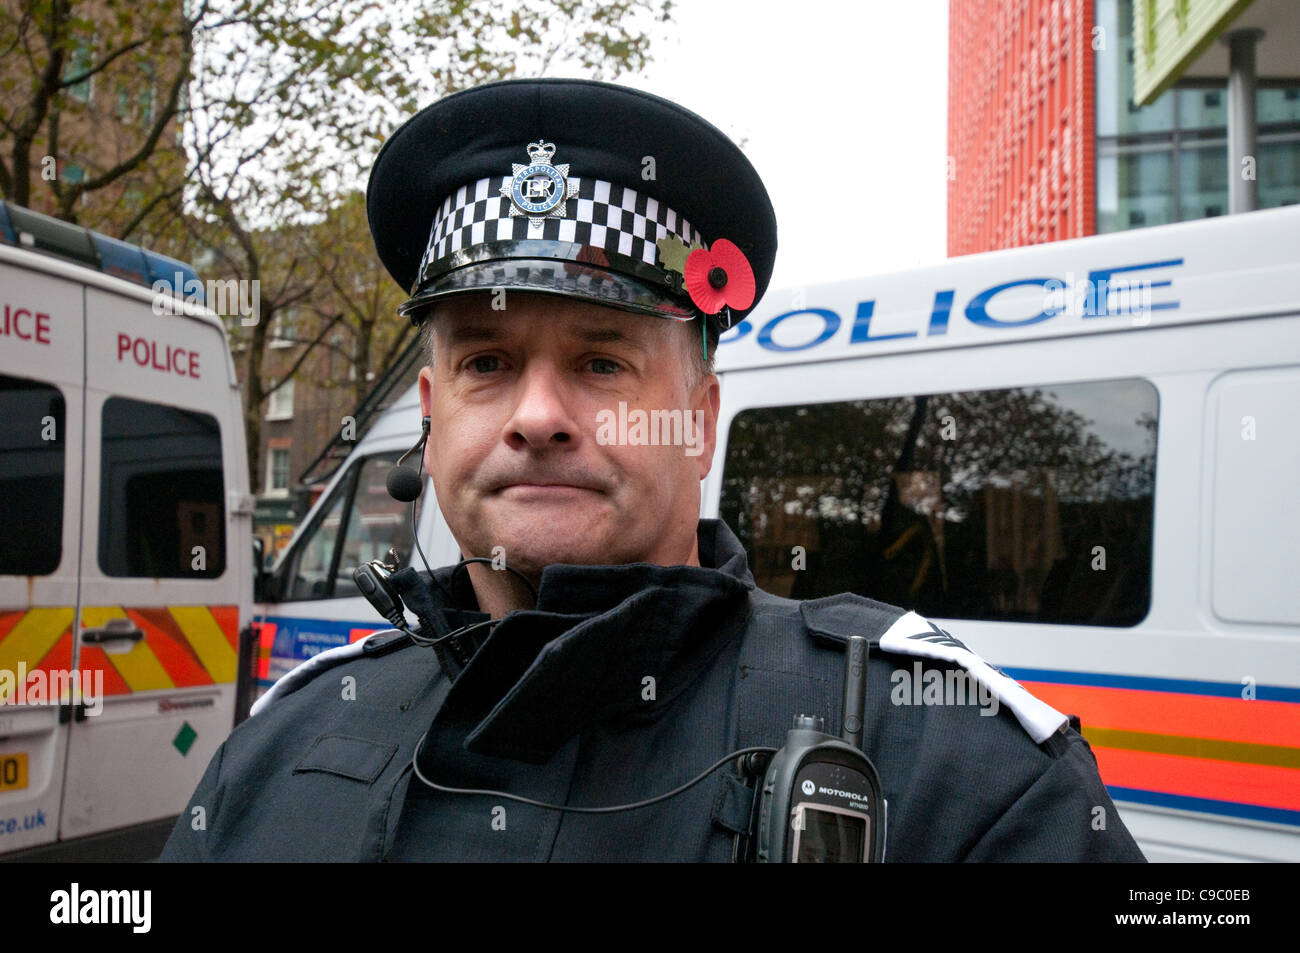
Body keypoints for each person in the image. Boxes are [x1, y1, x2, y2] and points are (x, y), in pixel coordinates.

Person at [159, 78, 1145, 862]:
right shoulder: (279, 743)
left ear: (700, 419)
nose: (538, 416)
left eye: (600, 362)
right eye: (486, 364)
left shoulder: (953, 769)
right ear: (431, 411)